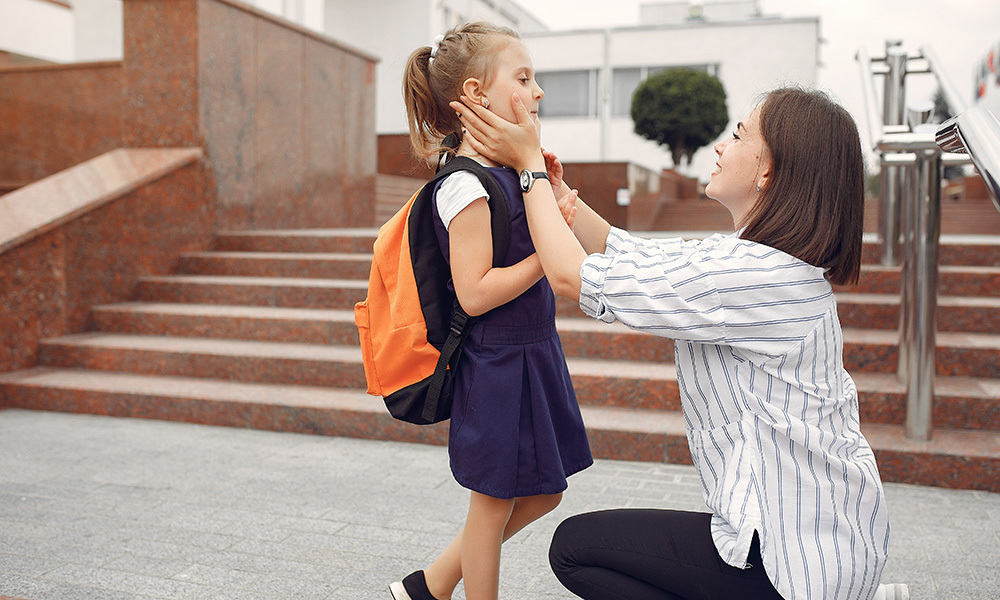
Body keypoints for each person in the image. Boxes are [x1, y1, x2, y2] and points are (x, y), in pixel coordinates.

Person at [451, 86, 907, 600]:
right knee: (590, 546)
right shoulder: (757, 261)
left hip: (795, 567)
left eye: (739, 136)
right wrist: (558, 194)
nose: (721, 146)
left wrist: (529, 168)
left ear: (768, 171)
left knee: (576, 550)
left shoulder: (751, 275)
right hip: (823, 541)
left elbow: (572, 278)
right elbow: (636, 255)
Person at [388, 22, 593, 600]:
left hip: (533, 351)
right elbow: (475, 292)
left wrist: (547, 194)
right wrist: (547, 255)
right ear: (477, 93)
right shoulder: (465, 186)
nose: (537, 91)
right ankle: (440, 589)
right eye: (523, 78)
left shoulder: (511, 173)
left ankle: (428, 585)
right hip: (497, 363)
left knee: (545, 491)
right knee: (492, 503)